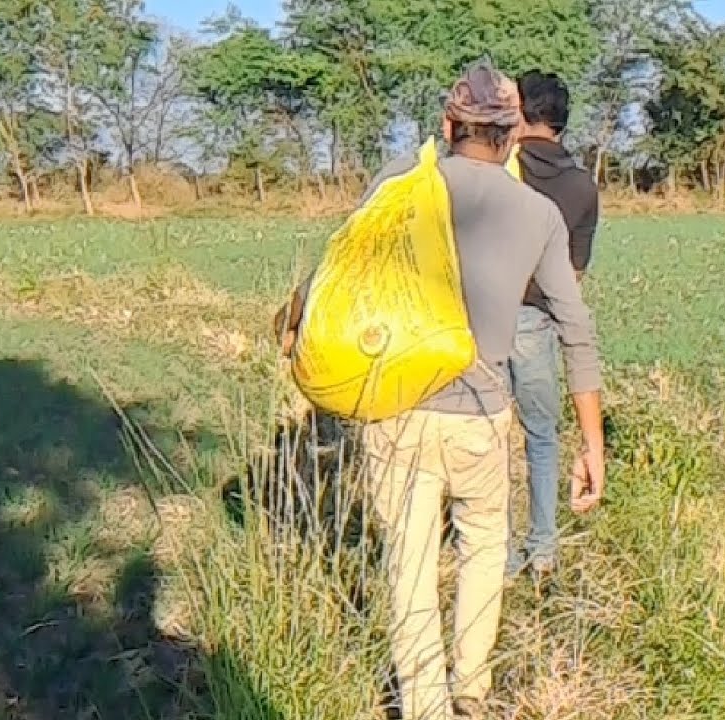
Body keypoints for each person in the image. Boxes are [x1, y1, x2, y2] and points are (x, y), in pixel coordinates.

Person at [276, 61, 606, 720]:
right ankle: (471, 691)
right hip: (483, 416)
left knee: (409, 565)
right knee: (485, 547)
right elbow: (576, 327)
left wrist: (295, 331)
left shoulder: (400, 186)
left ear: (448, 125)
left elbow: (343, 271)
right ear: (513, 134)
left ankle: (423, 706)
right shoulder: (538, 213)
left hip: (399, 412)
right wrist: (591, 445)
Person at [505, 70, 600, 580]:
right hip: (542, 321)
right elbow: (575, 272)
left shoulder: (502, 168)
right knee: (542, 437)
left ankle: (496, 554)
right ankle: (543, 550)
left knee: (491, 438)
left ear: (520, 114)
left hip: (489, 319)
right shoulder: (582, 185)